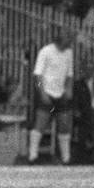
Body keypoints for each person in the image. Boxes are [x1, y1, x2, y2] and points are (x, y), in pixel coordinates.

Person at [29, 31, 74, 165]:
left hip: (61, 93)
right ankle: (33, 156)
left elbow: (70, 74)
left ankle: (66, 158)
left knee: (64, 124)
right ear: (60, 39)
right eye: (68, 38)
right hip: (47, 91)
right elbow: (37, 76)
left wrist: (69, 89)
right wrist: (42, 93)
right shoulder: (45, 51)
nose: (70, 41)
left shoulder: (69, 53)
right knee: (41, 123)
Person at [73, 60, 94, 165]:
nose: (89, 71)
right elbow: (75, 99)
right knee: (82, 139)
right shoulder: (78, 84)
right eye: (86, 69)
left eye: (91, 69)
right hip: (84, 113)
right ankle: (82, 164)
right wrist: (76, 110)